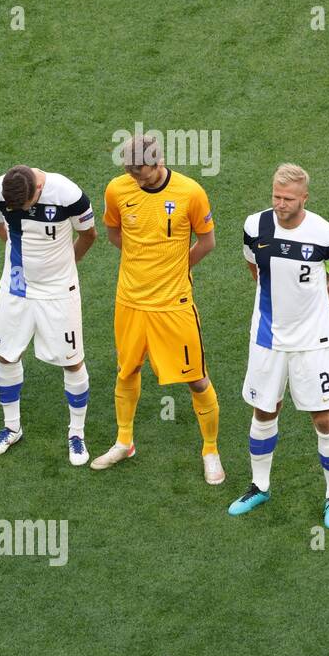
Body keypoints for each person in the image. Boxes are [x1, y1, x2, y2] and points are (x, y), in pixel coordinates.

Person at [92, 133, 224, 484]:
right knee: (126, 370)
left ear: (158, 162)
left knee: (196, 378)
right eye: (130, 173)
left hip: (173, 304)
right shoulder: (117, 190)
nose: (135, 178)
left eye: (141, 172)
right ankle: (124, 442)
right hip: (130, 301)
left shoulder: (190, 192)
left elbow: (207, 241)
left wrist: (179, 267)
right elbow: (114, 233)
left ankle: (210, 450)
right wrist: (142, 261)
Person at [229, 164, 329, 528]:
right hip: (267, 337)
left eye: (288, 199)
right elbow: (257, 271)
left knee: (324, 418)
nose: (280, 204)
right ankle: (259, 486)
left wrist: (319, 309)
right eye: (276, 196)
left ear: (304, 199)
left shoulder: (326, 235)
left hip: (313, 341)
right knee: (264, 411)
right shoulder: (255, 226)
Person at [0, 164, 96, 464]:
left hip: (59, 291)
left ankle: (77, 434)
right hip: (16, 286)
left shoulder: (68, 194)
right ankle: (11, 427)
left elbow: (88, 235)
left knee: (72, 360)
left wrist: (65, 266)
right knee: (6, 354)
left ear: (39, 191)